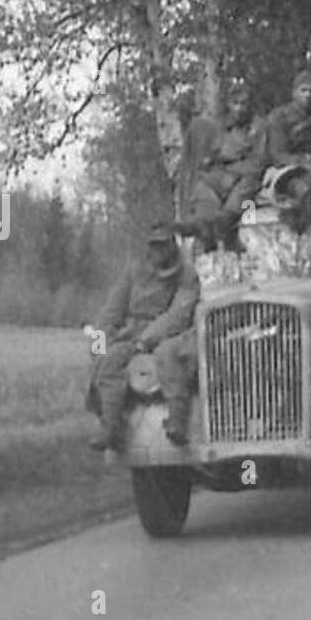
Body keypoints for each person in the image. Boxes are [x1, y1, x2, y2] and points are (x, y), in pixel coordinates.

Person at [87, 222, 200, 450]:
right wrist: (99, 343)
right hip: (132, 334)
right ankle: (112, 428)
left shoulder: (187, 274)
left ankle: (177, 421)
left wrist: (144, 340)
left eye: (164, 244)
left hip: (167, 335)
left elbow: (178, 314)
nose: (159, 251)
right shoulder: (134, 271)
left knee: (168, 356)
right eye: (154, 245)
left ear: (173, 245)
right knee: (108, 361)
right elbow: (112, 309)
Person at [176, 84, 268, 250]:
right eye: (235, 104)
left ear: (250, 106)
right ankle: (206, 234)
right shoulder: (222, 127)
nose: (239, 109)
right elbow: (213, 158)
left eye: (243, 104)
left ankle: (227, 226)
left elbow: (259, 163)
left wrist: (231, 170)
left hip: (247, 180)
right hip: (221, 176)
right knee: (203, 189)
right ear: (229, 105)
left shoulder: (258, 127)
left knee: (246, 192)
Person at [262, 69, 311, 229]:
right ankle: (305, 212)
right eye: (303, 90)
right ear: (294, 93)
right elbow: (278, 154)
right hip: (287, 168)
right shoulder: (279, 117)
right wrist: (304, 161)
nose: (308, 95)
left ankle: (302, 215)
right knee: (300, 186)